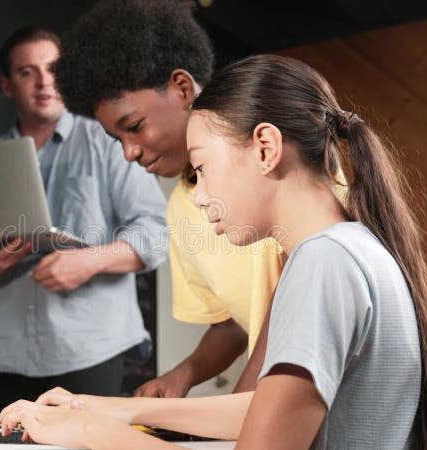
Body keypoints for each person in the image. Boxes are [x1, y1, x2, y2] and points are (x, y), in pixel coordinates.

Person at [0, 55, 427, 449]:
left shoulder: (322, 264)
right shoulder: (350, 249)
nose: (199, 194)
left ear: (266, 148)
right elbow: (269, 407)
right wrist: (109, 408)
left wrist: (95, 436)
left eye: (202, 168)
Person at [52, 0, 289, 398]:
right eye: (118, 139)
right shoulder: (182, 206)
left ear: (182, 88)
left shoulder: (271, 160)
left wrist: (239, 415)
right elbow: (234, 323)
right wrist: (180, 377)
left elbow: (290, 309)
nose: (128, 153)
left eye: (135, 126)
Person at [0, 26, 168, 417]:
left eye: (53, 69)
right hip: (7, 354)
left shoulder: (109, 142)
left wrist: (88, 260)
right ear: (8, 85)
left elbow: (157, 233)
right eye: (27, 72)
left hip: (89, 350)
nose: (44, 81)